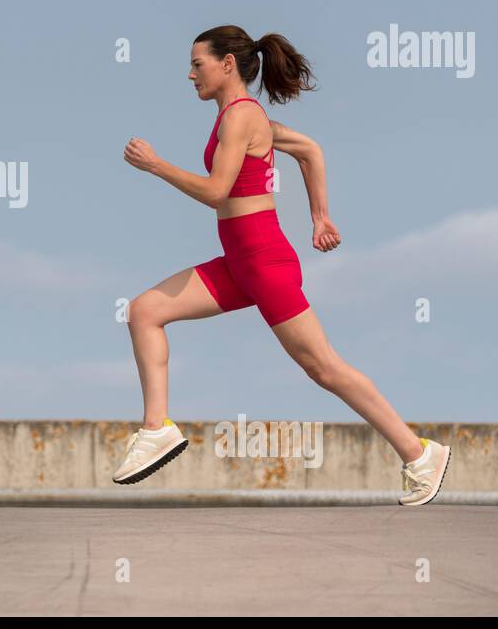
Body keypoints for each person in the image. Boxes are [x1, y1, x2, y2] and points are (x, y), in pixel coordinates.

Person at [114, 25, 450, 506]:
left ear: (227, 64)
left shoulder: (242, 117)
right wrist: (319, 217)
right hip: (239, 263)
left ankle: (419, 455)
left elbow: (215, 192)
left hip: (265, 262)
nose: (190, 74)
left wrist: (156, 164)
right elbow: (310, 150)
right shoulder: (243, 118)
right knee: (144, 311)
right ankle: (156, 431)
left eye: (197, 64)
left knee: (324, 368)